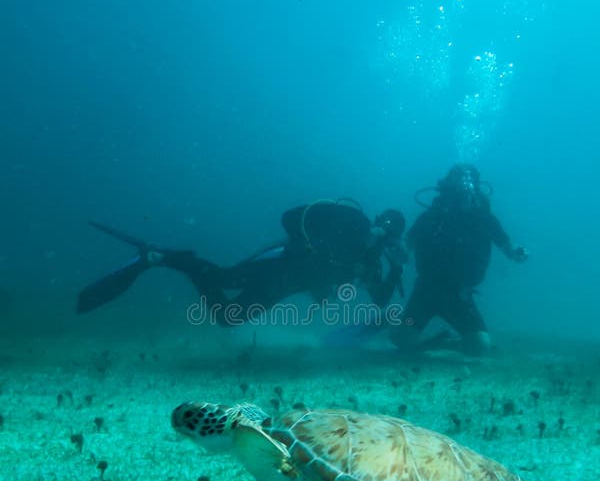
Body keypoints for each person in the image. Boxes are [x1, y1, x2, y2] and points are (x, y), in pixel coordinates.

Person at [76, 200, 406, 324]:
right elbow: (290, 216)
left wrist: (395, 270)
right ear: (375, 219)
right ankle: (159, 257)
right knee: (224, 278)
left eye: (388, 236)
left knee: (227, 318)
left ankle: (167, 258)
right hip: (277, 263)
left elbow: (380, 301)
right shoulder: (350, 221)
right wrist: (308, 245)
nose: (379, 236)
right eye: (382, 226)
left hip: (283, 288)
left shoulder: (373, 262)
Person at [391, 163, 528, 354]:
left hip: (459, 296)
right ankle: (396, 323)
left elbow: (506, 244)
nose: (464, 188)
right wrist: (400, 253)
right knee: (399, 339)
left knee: (481, 346)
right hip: (425, 292)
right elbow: (409, 242)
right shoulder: (430, 217)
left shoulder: (484, 219)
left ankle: (441, 343)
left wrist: (517, 252)